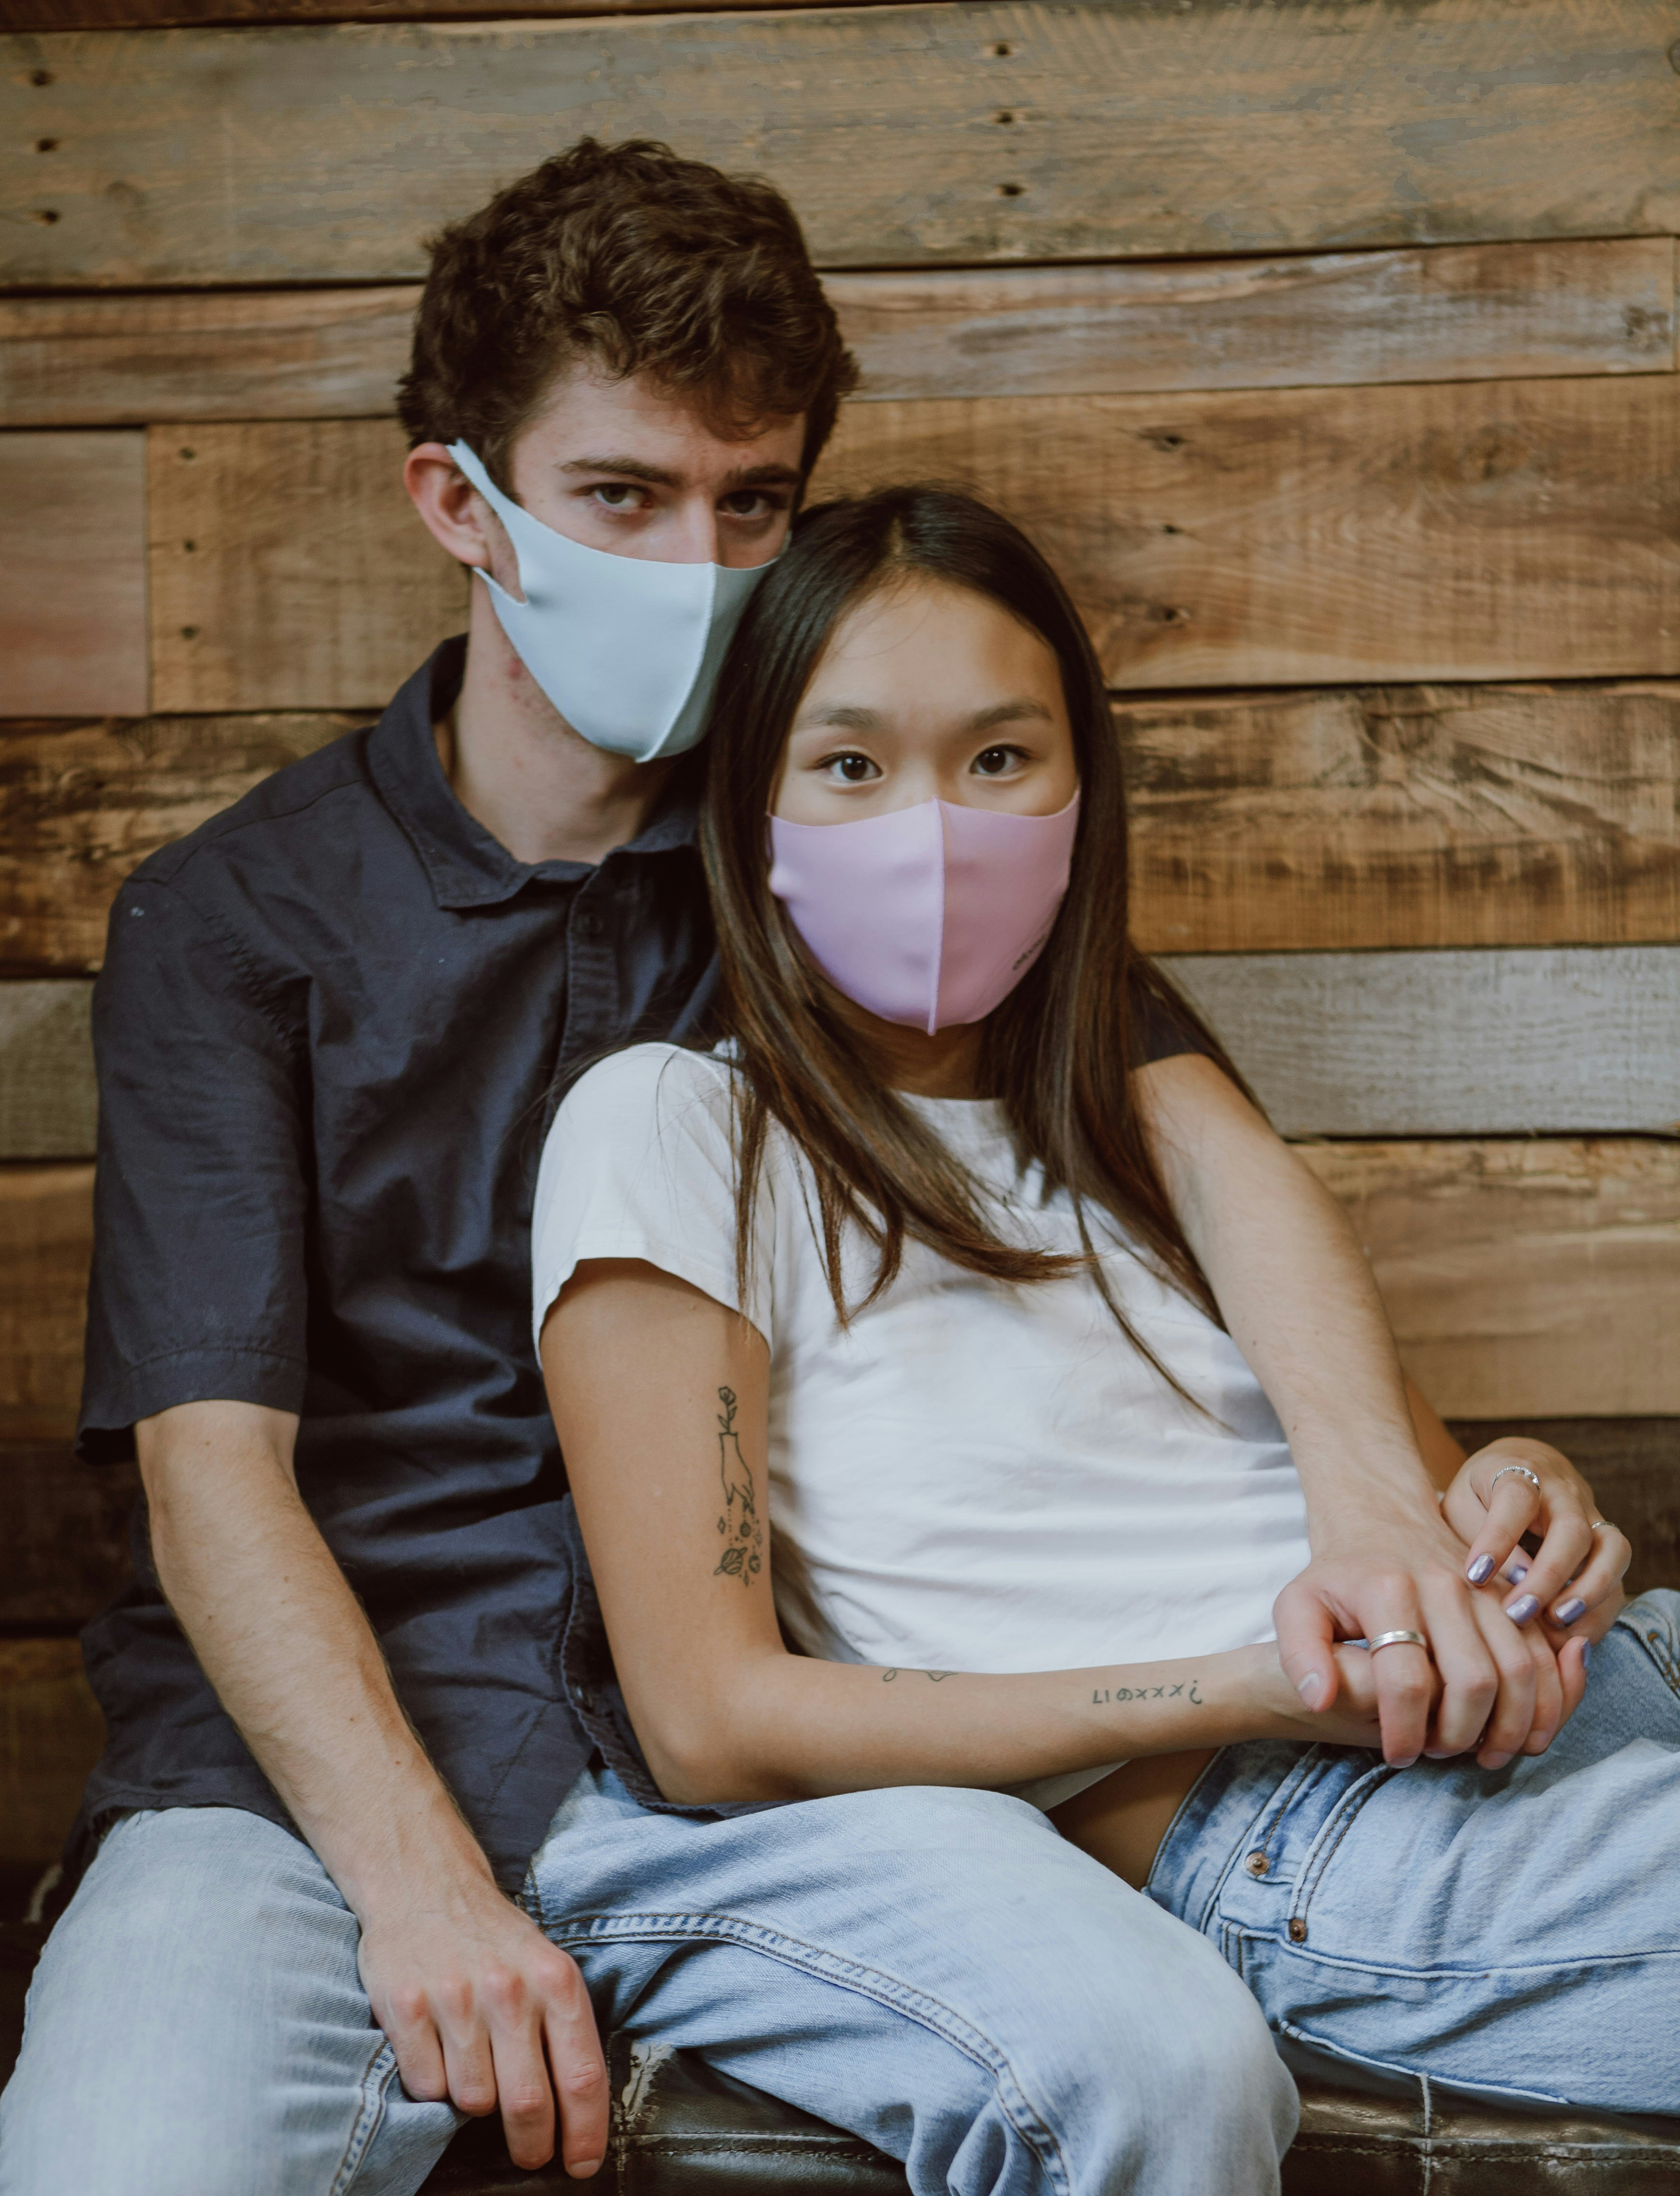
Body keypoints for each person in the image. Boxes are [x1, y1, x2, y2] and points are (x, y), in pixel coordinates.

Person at [0, 138, 1607, 2196]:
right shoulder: (235, 921)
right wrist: (417, 1891)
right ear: (457, 505)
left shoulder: (853, 839)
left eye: (750, 503)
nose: (697, 562)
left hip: (780, 1763)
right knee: (129, 2162)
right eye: (620, 498)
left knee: (1157, 2062)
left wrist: (1402, 1488)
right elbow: (206, 1468)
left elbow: (1180, 1129)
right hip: (310, 1784)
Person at [532, 485, 1669, 2121]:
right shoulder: (672, 1126)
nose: (933, 827)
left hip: (1591, 1689)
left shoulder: (1143, 1110)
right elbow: (709, 1724)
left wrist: (1522, 1497)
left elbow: (1410, 1511)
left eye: (999, 760)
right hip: (1292, 1822)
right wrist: (1254, 1688)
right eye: (850, 766)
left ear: (1081, 790)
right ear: (753, 810)